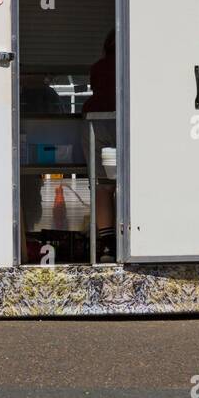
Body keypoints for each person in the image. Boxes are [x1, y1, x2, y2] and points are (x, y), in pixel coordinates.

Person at [83, 30, 117, 260]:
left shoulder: (98, 67)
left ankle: (107, 244)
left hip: (96, 121)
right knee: (131, 183)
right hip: (129, 121)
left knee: (102, 185)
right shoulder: (137, 63)